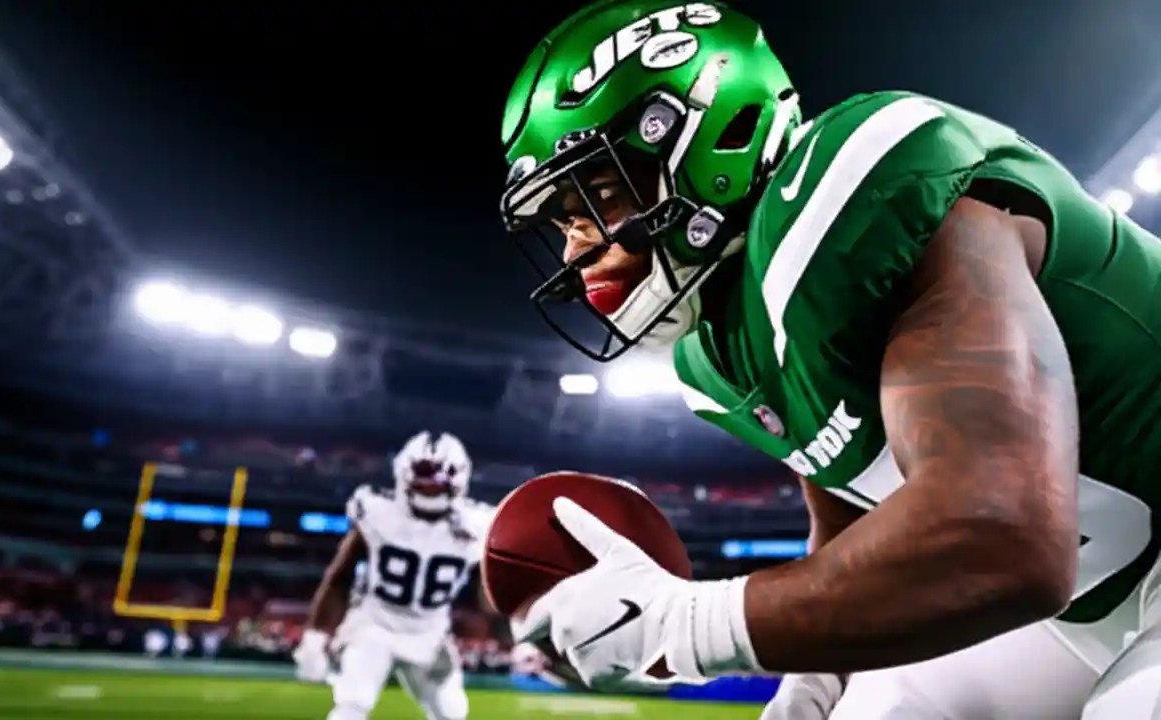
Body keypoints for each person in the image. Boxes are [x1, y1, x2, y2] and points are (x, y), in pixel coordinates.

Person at [497, 1, 1161, 717]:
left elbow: (1008, 537)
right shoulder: (715, 355)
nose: (575, 248)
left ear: (713, 138)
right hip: (1085, 606)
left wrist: (694, 625)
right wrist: (818, 670)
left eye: (598, 197)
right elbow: (849, 498)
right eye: (563, 219)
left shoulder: (857, 198)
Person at [294, 431, 495, 720]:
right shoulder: (378, 510)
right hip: (374, 625)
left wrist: (519, 634)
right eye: (424, 474)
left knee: (452, 713)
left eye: (439, 476)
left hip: (430, 632)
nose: (431, 485)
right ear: (404, 473)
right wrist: (315, 635)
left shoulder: (475, 525)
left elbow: (489, 597)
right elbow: (340, 576)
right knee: (352, 704)